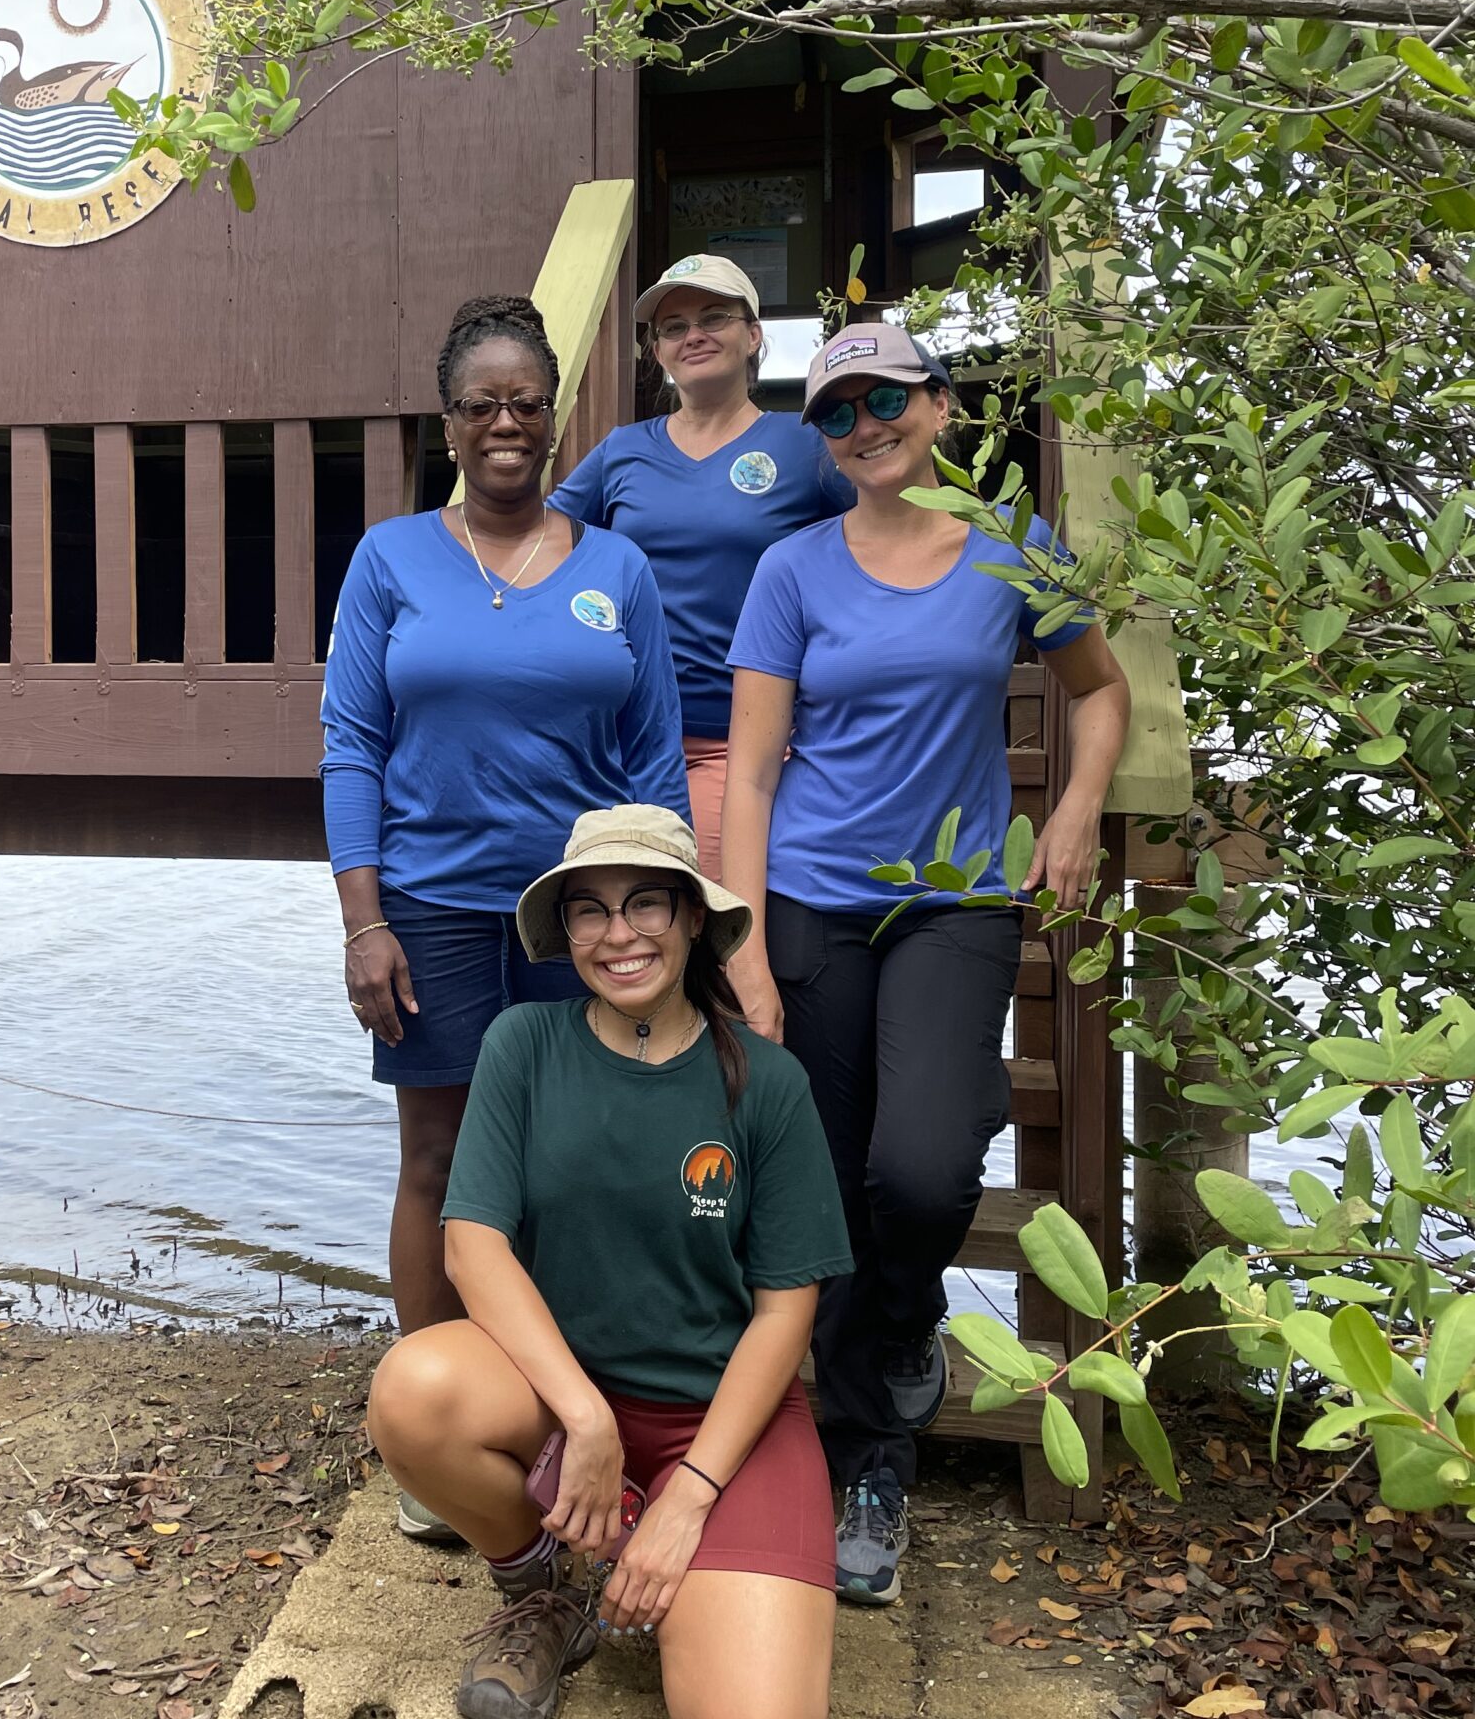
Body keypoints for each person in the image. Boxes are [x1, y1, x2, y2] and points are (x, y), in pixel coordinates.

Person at [722, 322, 1131, 1607]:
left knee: (927, 1161)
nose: (864, 427)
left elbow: (1101, 689)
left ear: (941, 406)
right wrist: (741, 941)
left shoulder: (1012, 550)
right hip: (811, 902)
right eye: (837, 413)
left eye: (886, 399)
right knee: (835, 1182)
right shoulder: (790, 569)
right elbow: (750, 767)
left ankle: (901, 1333)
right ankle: (867, 1462)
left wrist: (1071, 813)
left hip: (955, 900)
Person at [366, 804, 850, 1719]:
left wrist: (688, 1499)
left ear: (690, 920)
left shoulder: (768, 1083)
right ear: (564, 933)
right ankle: (549, 1588)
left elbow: (784, 1312)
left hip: (723, 1426)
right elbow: (472, 1242)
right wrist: (583, 1414)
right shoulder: (524, 1046)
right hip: (563, 1398)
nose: (617, 933)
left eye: (644, 905)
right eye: (588, 911)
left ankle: (668, 1572)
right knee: (413, 1388)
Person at [321, 297, 689, 1536]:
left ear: (554, 416)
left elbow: (652, 759)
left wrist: (662, 917)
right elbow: (351, 743)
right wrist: (363, 921)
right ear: (449, 422)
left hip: (581, 914)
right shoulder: (391, 560)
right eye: (481, 403)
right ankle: (432, 1427)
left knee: (574, 1166)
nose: (505, 423)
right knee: (438, 1159)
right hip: (429, 905)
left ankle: (569, 1404)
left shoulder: (616, 569)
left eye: (526, 402)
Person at [550, 254, 854, 877]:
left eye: (714, 316)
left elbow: (883, 537)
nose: (694, 334)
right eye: (672, 326)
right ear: (656, 351)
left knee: (700, 927)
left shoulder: (805, 447)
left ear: (754, 335)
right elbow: (535, 544)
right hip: (618, 735)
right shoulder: (622, 450)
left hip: (742, 739)